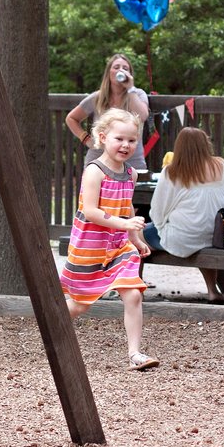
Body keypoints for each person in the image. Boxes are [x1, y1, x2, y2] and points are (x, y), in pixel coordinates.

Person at [61, 108, 157, 370]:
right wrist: (125, 223)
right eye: (119, 139)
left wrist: (135, 238)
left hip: (118, 246)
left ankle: (135, 353)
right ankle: (52, 327)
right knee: (78, 306)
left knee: (134, 294)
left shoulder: (131, 175)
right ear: (103, 138)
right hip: (89, 246)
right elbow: (90, 211)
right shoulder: (95, 171)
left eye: (131, 140)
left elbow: (126, 208)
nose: (125, 145)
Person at [143, 127, 224, 302]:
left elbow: (157, 210)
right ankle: (212, 291)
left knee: (134, 236)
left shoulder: (171, 172)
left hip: (183, 237)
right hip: (216, 236)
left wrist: (162, 227)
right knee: (200, 236)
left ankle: (135, 290)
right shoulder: (222, 165)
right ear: (205, 145)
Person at [64, 53, 152, 172]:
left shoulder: (137, 94)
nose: (121, 70)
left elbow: (142, 116)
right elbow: (71, 118)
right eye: (116, 67)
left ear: (130, 75)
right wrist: (86, 139)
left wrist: (130, 88)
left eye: (125, 68)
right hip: (99, 160)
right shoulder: (98, 97)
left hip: (132, 161)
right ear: (108, 73)